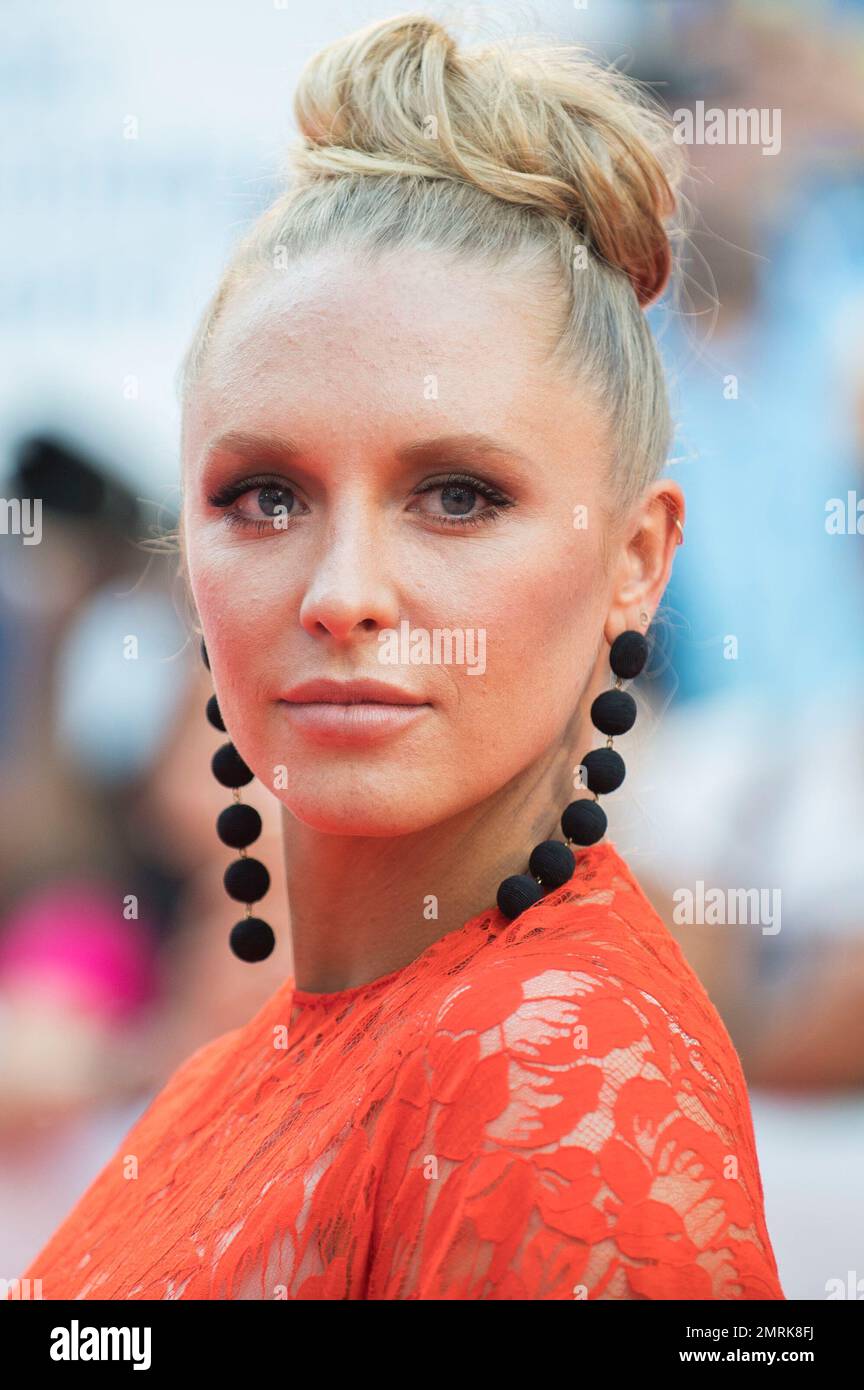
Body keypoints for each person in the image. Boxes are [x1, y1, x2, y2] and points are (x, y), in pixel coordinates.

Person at [12, 14, 784, 1300]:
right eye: (264, 496)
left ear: (636, 561)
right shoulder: (243, 1067)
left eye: (460, 496)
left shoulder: (555, 1091)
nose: (342, 593)